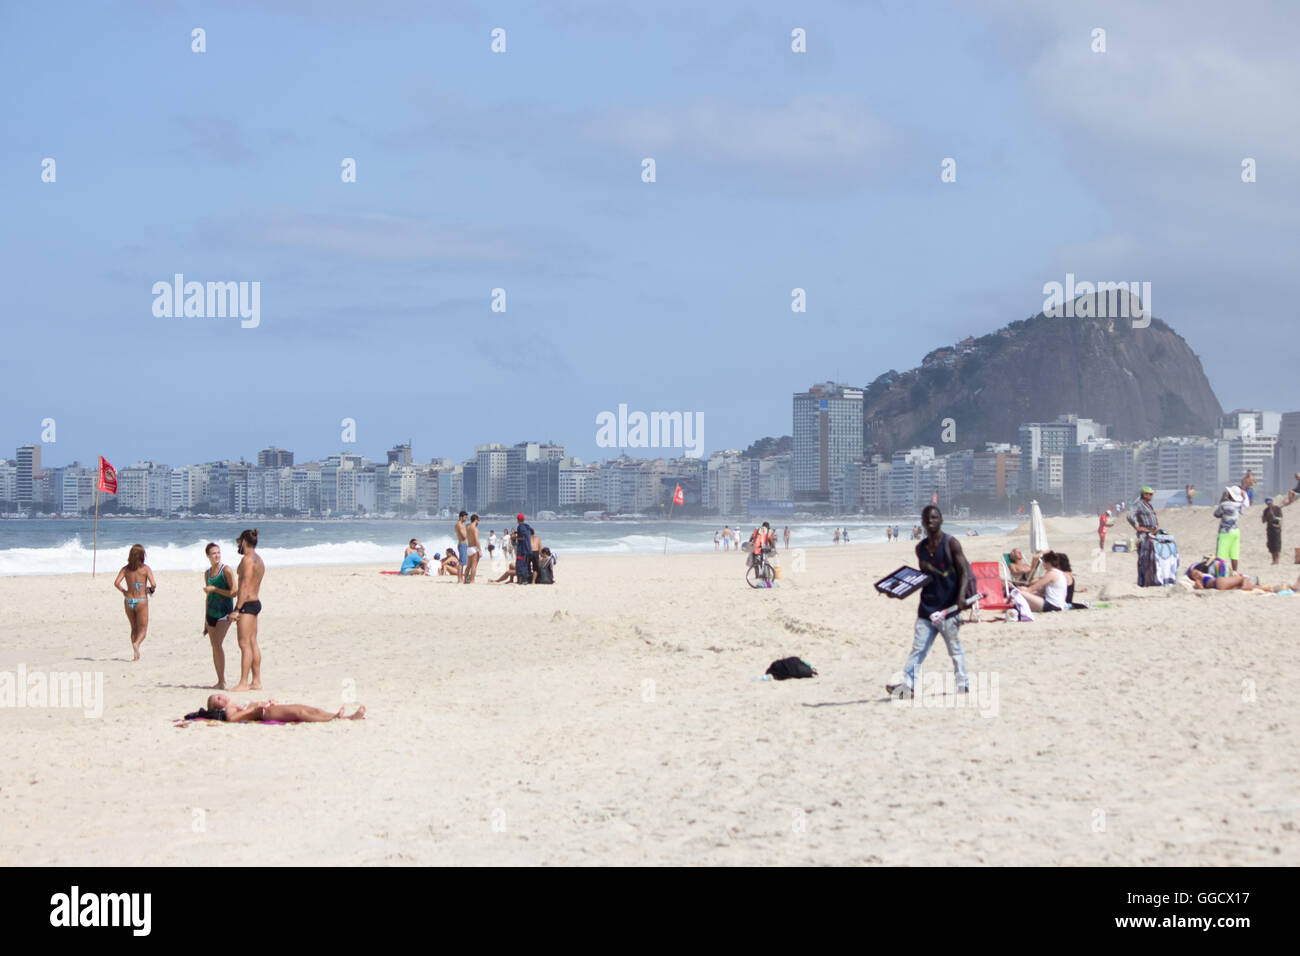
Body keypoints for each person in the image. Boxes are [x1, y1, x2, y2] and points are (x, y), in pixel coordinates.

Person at [886, 506, 970, 699]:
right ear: (922, 523)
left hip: (948, 608)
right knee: (918, 648)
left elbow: (964, 570)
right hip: (927, 607)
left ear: (941, 520)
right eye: (927, 518)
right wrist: (897, 591)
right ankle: (908, 685)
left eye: (934, 517)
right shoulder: (920, 548)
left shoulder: (951, 544)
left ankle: (963, 684)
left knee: (954, 649)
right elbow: (923, 578)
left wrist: (961, 596)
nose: (930, 521)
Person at [228, 529, 265, 692]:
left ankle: (244, 682)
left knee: (244, 644)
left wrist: (237, 609)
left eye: (239, 541)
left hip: (247, 604)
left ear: (244, 541)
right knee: (252, 643)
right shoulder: (259, 560)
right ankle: (256, 681)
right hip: (255, 601)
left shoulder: (247, 560)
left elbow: (243, 586)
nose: (238, 544)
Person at [186, 693, 366, 723]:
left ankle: (340, 716)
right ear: (216, 706)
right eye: (217, 698)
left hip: (268, 708)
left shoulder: (234, 704)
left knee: (312, 709)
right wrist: (256, 709)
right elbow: (233, 720)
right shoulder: (228, 711)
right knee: (300, 713)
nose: (222, 697)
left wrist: (265, 701)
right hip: (266, 713)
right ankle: (335, 719)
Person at [202, 541, 237, 688]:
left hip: (225, 613)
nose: (217, 555)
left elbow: (234, 592)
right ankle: (220, 680)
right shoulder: (207, 573)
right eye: (213, 553)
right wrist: (204, 620)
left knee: (217, 643)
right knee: (214, 646)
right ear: (208, 556)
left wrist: (215, 588)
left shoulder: (226, 570)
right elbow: (208, 597)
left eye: (218, 552)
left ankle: (222, 681)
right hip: (211, 612)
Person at [114, 544, 156, 661]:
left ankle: (135, 655)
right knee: (143, 630)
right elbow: (153, 584)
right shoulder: (145, 569)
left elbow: (116, 583)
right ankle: (137, 644)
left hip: (128, 600)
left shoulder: (125, 569)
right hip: (141, 600)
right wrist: (150, 590)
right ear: (142, 556)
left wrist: (124, 591)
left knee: (133, 628)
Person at [1213, 486, 1247, 573]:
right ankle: (1235, 572)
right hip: (1236, 531)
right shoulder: (1240, 505)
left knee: (1220, 554)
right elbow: (1244, 503)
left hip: (1225, 531)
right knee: (1234, 554)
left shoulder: (1225, 504)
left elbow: (1216, 514)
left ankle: (1219, 573)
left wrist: (1222, 498)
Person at [1261, 496, 1292, 565]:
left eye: (1270, 503)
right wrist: (1267, 516)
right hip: (1269, 529)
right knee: (1271, 544)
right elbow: (1263, 521)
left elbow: (1280, 516)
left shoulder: (1277, 508)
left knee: (1277, 544)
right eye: (1268, 503)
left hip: (1276, 528)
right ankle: (1273, 559)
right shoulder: (1266, 510)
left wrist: (1275, 517)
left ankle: (1277, 560)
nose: (1269, 505)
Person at [514, 513, 535, 584]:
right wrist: (517, 533)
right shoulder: (527, 527)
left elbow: (522, 538)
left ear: (518, 519)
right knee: (525, 564)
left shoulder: (520, 526)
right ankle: (525, 580)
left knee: (520, 564)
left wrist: (515, 537)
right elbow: (525, 535)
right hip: (528, 549)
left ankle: (521, 580)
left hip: (522, 549)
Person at [464, 514, 482, 583]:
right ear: (476, 520)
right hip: (474, 548)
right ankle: (472, 580)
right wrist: (480, 550)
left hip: (468, 548)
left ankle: (465, 580)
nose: (478, 522)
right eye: (478, 520)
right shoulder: (475, 528)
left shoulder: (467, 527)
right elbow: (476, 540)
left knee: (468, 566)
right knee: (474, 566)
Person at [453, 512, 469, 583]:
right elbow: (464, 536)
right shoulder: (459, 525)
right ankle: (459, 579)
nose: (466, 519)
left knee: (462, 562)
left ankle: (460, 578)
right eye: (465, 517)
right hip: (462, 544)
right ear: (461, 517)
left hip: (463, 544)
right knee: (461, 562)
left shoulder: (462, 525)